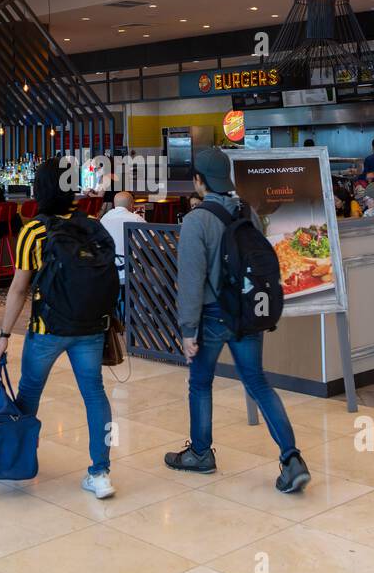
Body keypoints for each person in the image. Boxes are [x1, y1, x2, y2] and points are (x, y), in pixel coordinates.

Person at [169, 148, 310, 493]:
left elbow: (191, 280)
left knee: (200, 383)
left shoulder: (196, 221)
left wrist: (188, 329)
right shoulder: (248, 213)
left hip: (212, 315)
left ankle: (201, 453)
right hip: (247, 312)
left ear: (199, 181)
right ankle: (292, 458)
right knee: (257, 382)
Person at [0, 157, 117, 500]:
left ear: (40, 188)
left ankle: (16, 461)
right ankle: (101, 474)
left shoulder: (34, 230)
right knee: (95, 395)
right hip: (90, 327)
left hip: (48, 329)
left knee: (28, 396)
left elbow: (18, 289)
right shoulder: (93, 225)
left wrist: (4, 335)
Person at [100, 191, 140, 287]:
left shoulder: (104, 218)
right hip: (129, 272)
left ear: (114, 204)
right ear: (132, 205)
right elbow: (151, 240)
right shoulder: (135, 218)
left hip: (107, 271)